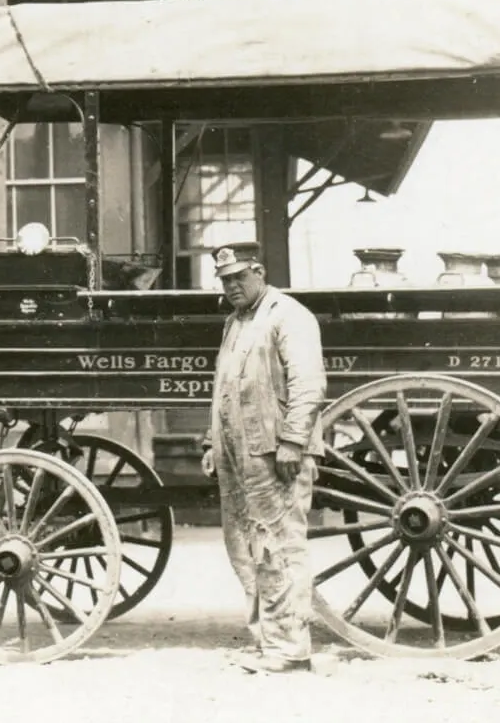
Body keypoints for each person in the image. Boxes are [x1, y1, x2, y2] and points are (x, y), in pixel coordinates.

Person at [206, 242, 327, 674]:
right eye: (225, 280)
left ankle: (291, 649)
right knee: (245, 548)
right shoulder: (235, 322)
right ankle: (268, 643)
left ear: (259, 272)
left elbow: (308, 383)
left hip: (274, 453)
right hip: (237, 453)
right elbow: (224, 387)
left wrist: (293, 441)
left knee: (280, 546)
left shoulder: (288, 315)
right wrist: (211, 443)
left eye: (240, 277)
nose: (232, 286)